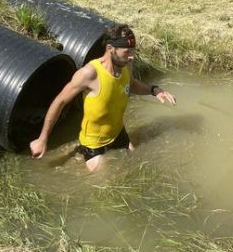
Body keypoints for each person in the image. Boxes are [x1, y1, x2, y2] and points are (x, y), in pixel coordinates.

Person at [29, 23, 176, 171]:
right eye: (126, 52)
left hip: (118, 133)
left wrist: (154, 90)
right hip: (94, 143)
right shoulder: (89, 74)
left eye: (133, 51)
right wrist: (43, 139)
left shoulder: (126, 64)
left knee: (135, 166)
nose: (131, 57)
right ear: (110, 49)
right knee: (106, 184)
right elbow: (59, 102)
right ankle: (81, 151)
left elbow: (130, 84)